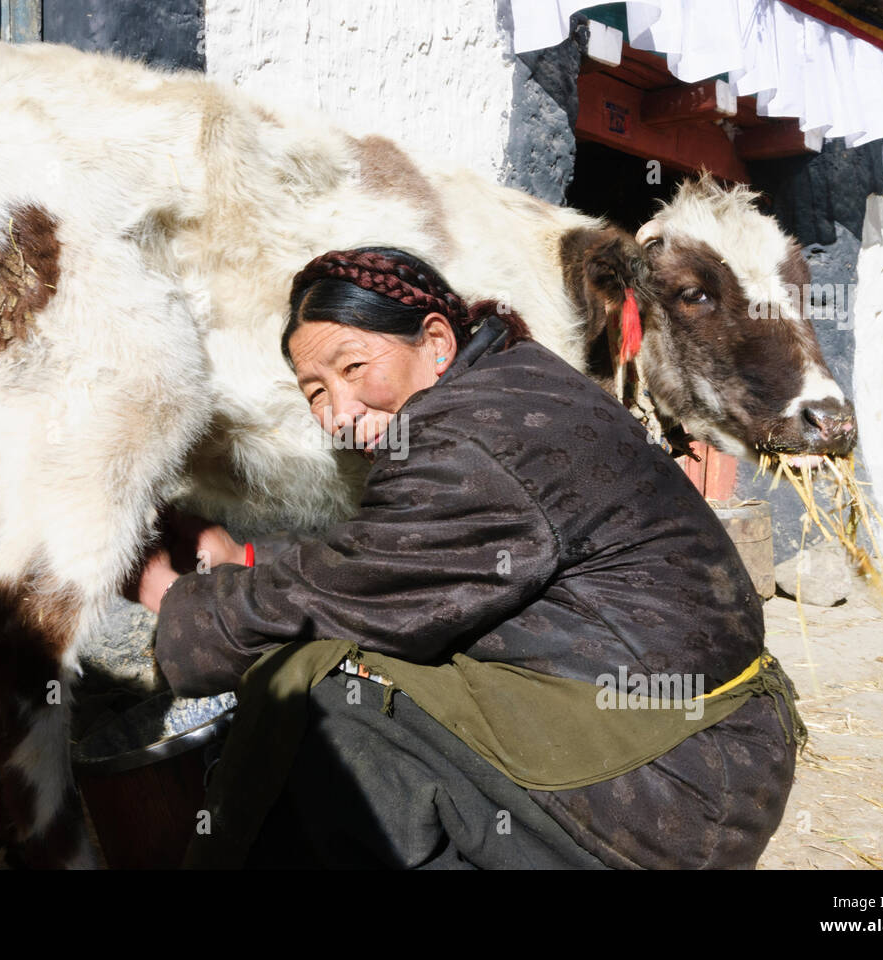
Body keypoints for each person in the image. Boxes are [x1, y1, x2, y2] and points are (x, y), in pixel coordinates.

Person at [137, 246, 805, 869]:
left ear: (433, 342)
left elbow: (354, 593)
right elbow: (385, 553)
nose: (339, 412)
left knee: (320, 692)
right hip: (710, 746)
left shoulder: (470, 443)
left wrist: (177, 601)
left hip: (673, 790)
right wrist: (244, 555)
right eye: (315, 392)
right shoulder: (509, 383)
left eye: (353, 367)